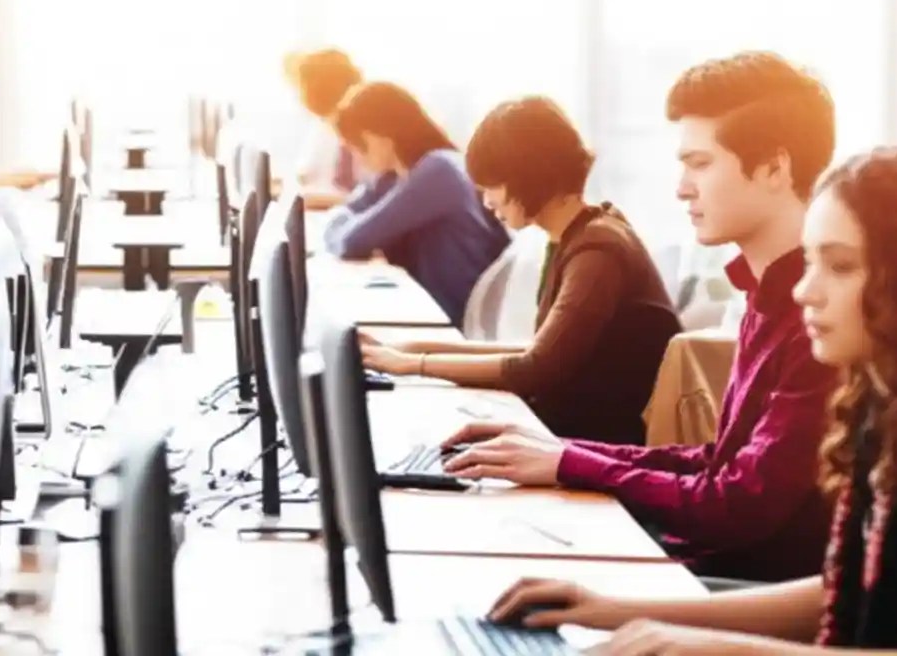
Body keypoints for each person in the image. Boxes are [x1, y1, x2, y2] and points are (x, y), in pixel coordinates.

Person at [485, 147, 897, 656]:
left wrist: (716, 649)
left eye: (840, 266)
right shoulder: (883, 406)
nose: (805, 292)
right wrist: (612, 609)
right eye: (811, 261)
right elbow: (842, 596)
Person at [443, 52, 839, 582]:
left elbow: (738, 504)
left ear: (774, 167)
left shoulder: (819, 317)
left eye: (700, 163)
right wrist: (559, 451)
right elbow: (719, 462)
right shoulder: (763, 295)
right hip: (700, 561)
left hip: (736, 587)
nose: (681, 187)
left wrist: (569, 463)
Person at [361, 97, 680, 443]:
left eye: (492, 185)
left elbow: (535, 369)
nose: (487, 201)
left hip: (594, 450)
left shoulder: (596, 250)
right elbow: (538, 351)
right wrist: (409, 349)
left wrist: (414, 365)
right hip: (566, 436)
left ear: (527, 174)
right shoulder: (579, 234)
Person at [323, 82, 509, 325]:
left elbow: (350, 241)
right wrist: (342, 217)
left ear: (381, 138)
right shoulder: (395, 176)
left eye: (358, 145)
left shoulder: (438, 171)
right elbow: (346, 218)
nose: (357, 156)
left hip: (452, 318)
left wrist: (341, 218)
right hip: (425, 308)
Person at [285, 48, 366, 208]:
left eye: (299, 86)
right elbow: (307, 174)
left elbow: (372, 200)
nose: (296, 96)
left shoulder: (363, 134)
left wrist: (321, 201)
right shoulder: (321, 127)